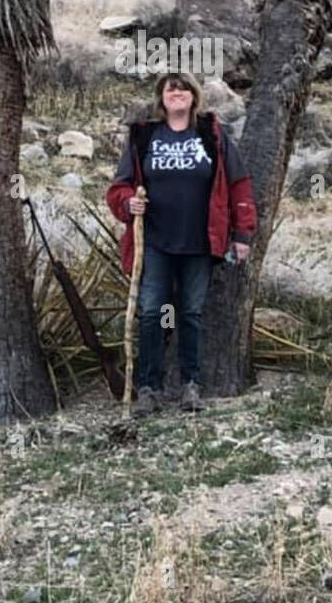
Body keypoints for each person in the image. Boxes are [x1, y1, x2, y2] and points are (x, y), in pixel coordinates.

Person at [106, 72, 257, 416]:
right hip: (155, 243)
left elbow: (238, 184)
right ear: (161, 98)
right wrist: (129, 202)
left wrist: (243, 233)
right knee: (152, 314)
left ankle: (191, 385)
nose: (177, 92)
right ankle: (148, 388)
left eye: (184, 87)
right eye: (170, 88)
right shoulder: (144, 137)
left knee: (189, 313)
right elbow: (119, 187)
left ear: (194, 96)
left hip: (200, 242)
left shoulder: (212, 134)